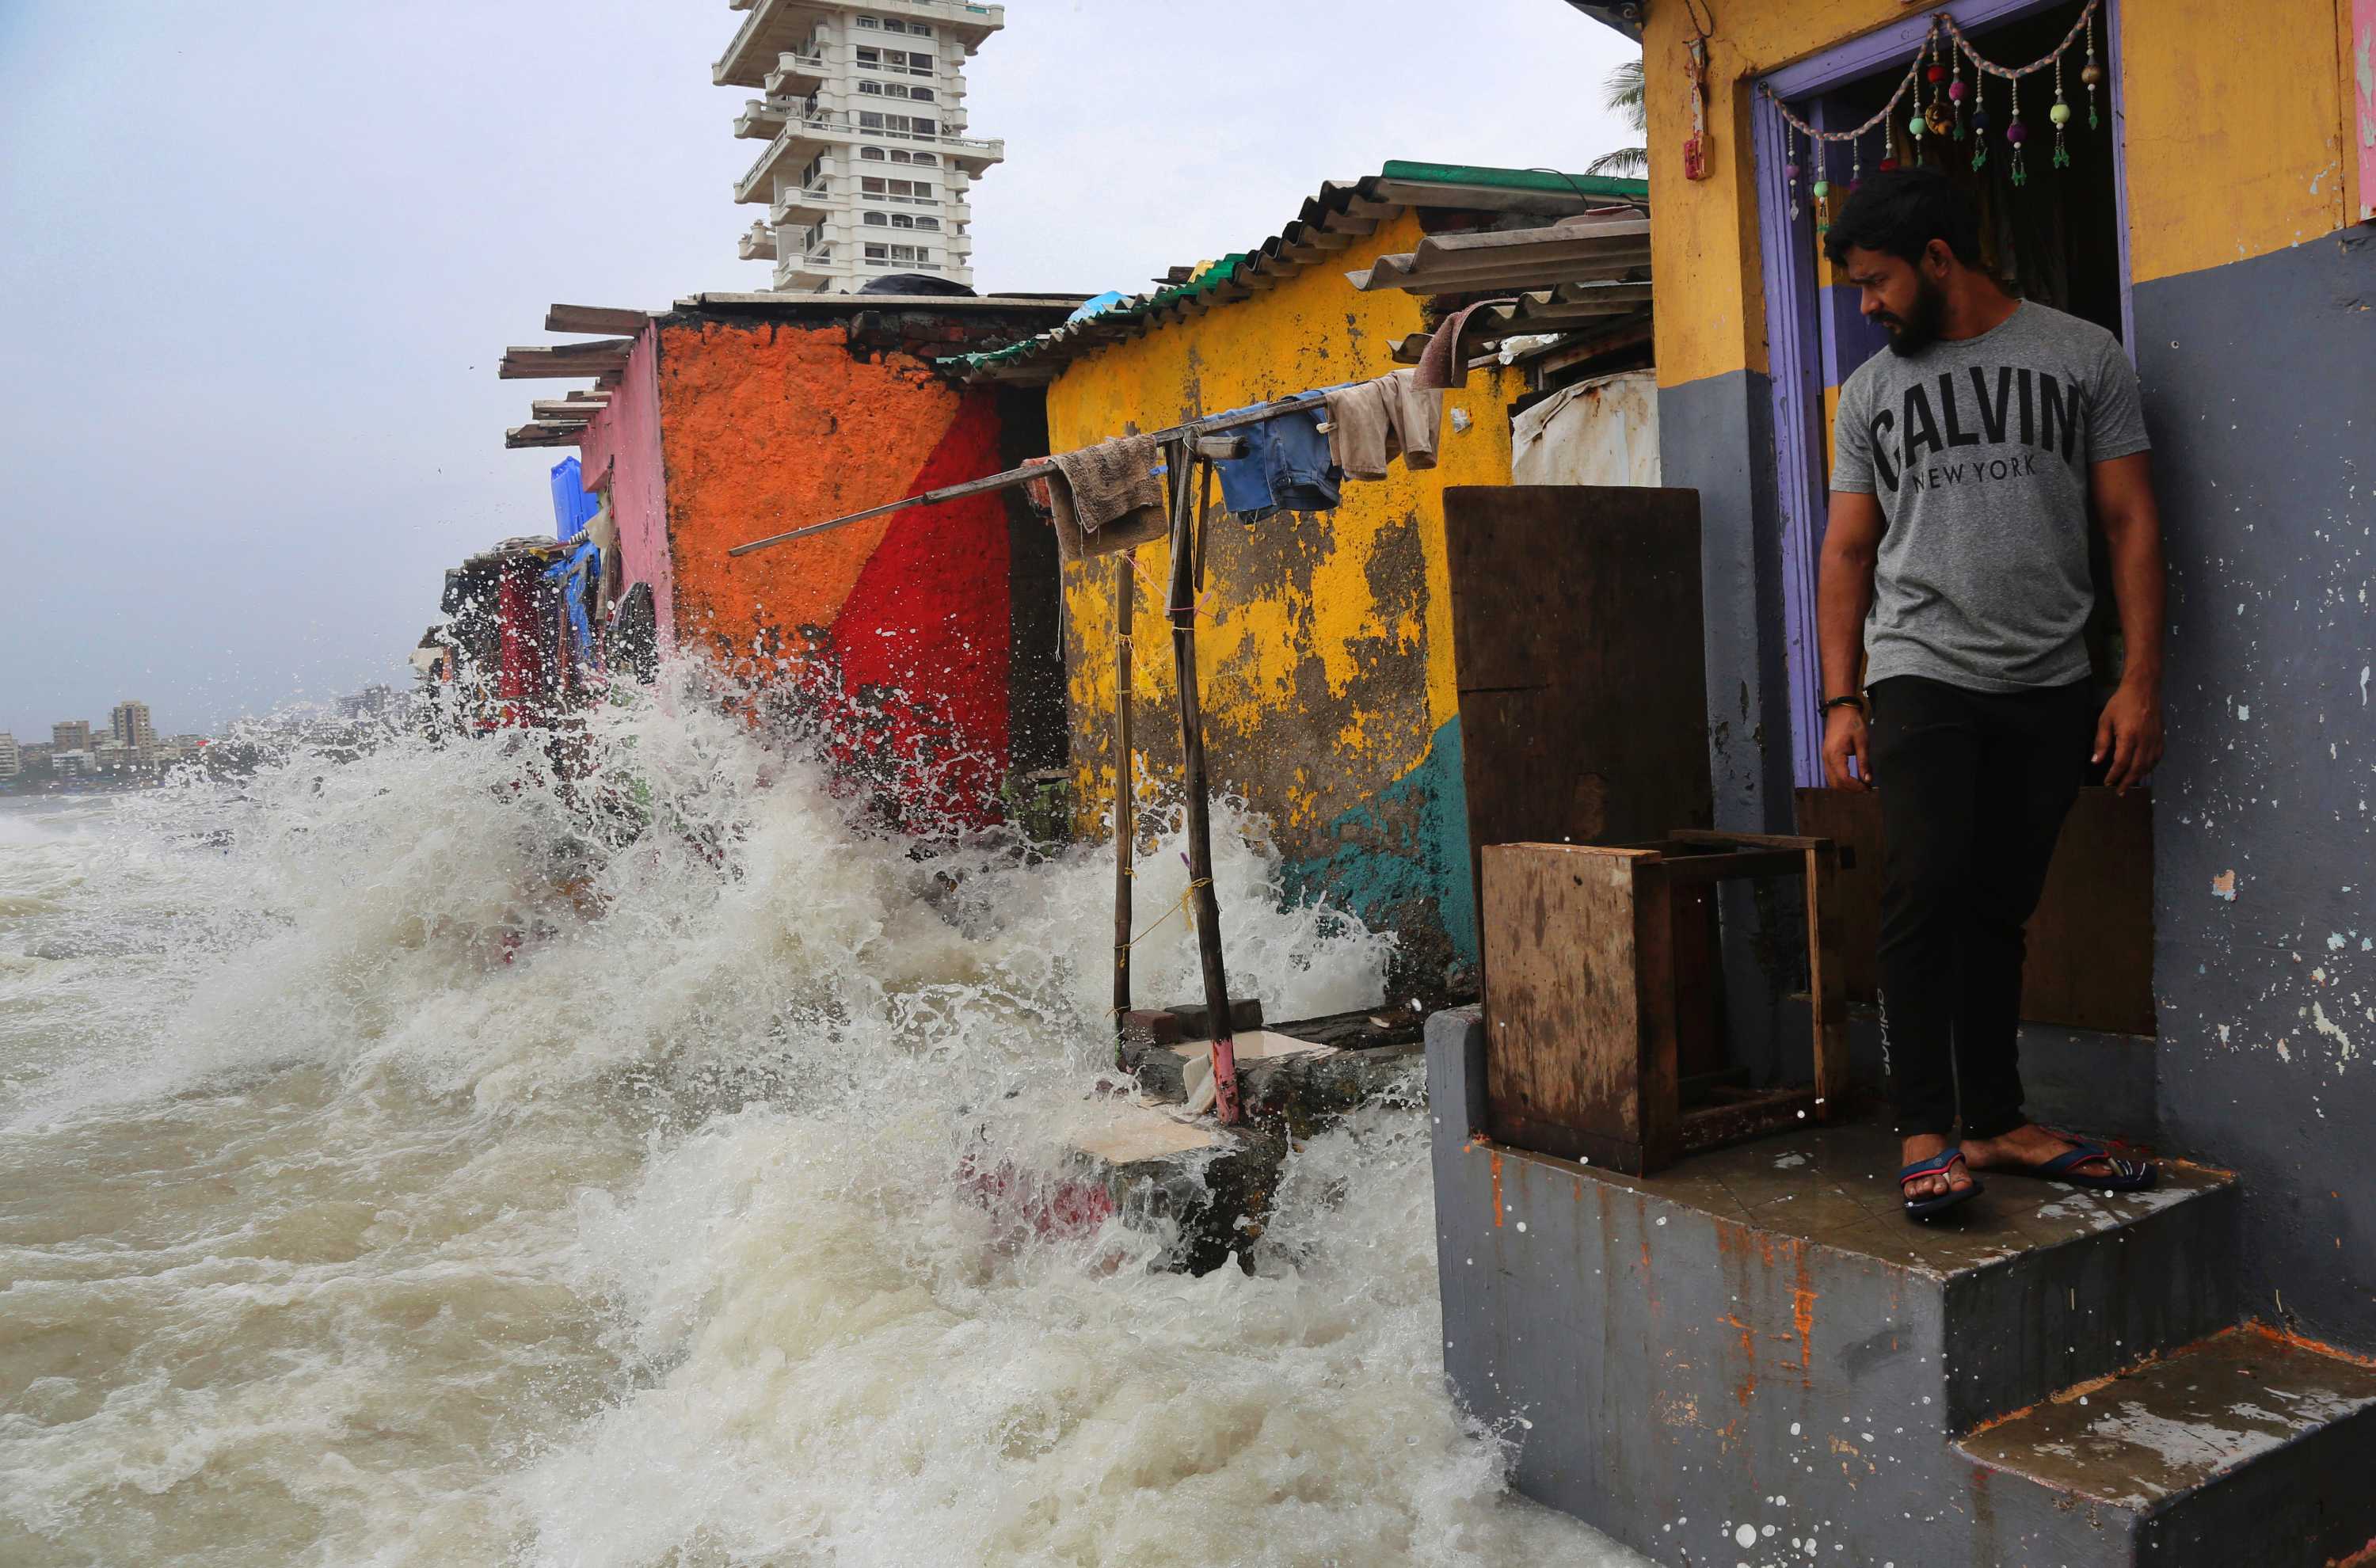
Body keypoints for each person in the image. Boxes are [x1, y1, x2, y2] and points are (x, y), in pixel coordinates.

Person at [1814, 167, 2165, 1220]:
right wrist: (1841, 698)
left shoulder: (2083, 356)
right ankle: (1927, 1131)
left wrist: (2138, 680)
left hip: (2051, 678)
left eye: (1876, 282)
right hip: (1920, 668)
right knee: (1925, 887)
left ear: (1939, 259)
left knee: (2000, 908)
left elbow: (2130, 521)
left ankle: (1997, 1122)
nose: (1867, 307)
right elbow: (1848, 550)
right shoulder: (1870, 395)